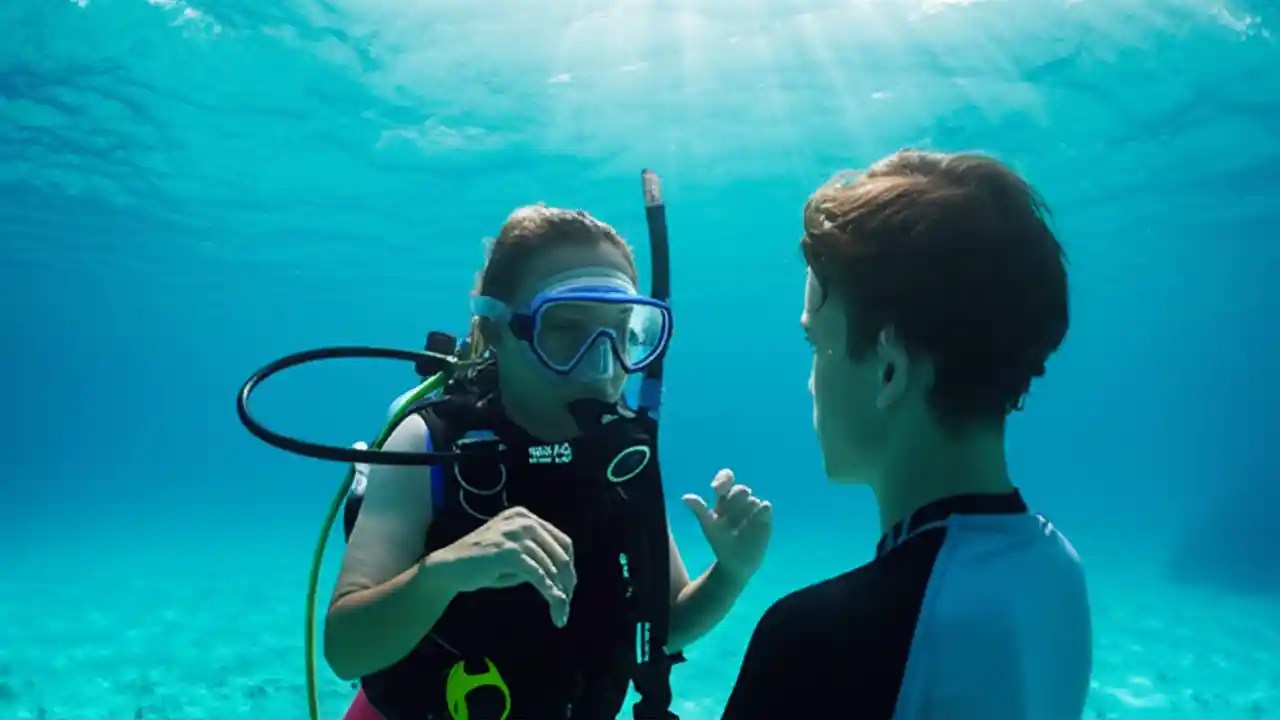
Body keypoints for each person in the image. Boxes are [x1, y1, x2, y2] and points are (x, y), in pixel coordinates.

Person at [326, 204, 774, 720]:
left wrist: (731, 572)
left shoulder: (619, 454)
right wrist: (443, 574)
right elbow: (346, 650)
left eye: (623, 330)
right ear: (496, 331)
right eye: (565, 328)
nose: (602, 364)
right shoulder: (430, 443)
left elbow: (663, 626)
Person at [721, 150, 1091, 720]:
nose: (811, 382)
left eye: (817, 343)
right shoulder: (1060, 572)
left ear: (889, 371)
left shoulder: (813, 642)